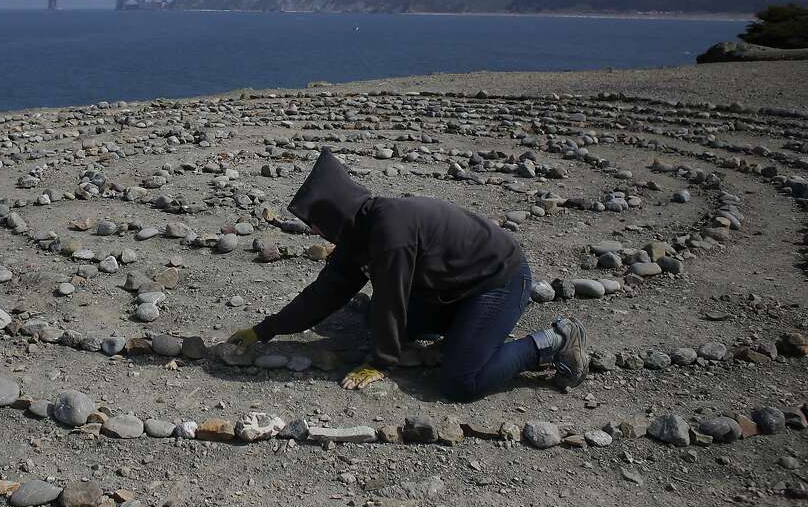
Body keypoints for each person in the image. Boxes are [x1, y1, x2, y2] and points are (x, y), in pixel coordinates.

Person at [226, 148, 588, 400]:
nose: (315, 231)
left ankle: (551, 342)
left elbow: (391, 297)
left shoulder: (388, 234)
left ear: (335, 214)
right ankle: (467, 333)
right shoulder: (360, 232)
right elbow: (325, 293)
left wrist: (381, 362)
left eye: (316, 224)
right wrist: (265, 329)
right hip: (453, 287)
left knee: (461, 382)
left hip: (498, 281)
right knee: (378, 321)